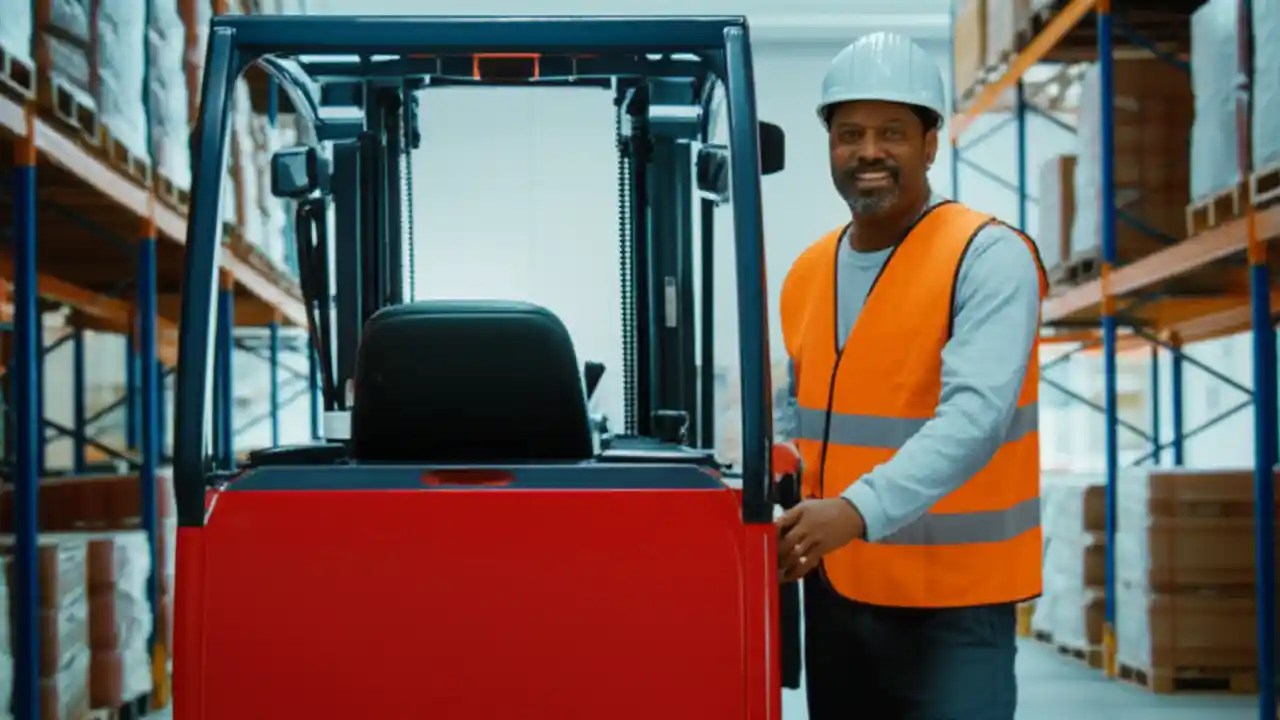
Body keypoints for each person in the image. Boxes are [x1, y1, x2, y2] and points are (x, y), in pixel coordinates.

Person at [773, 31, 1048, 719]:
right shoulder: (809, 270)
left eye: (892, 132)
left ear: (930, 143)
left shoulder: (987, 257)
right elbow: (794, 409)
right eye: (850, 133)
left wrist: (856, 511)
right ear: (830, 145)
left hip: (951, 607)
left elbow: (975, 419)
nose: (868, 151)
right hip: (836, 590)